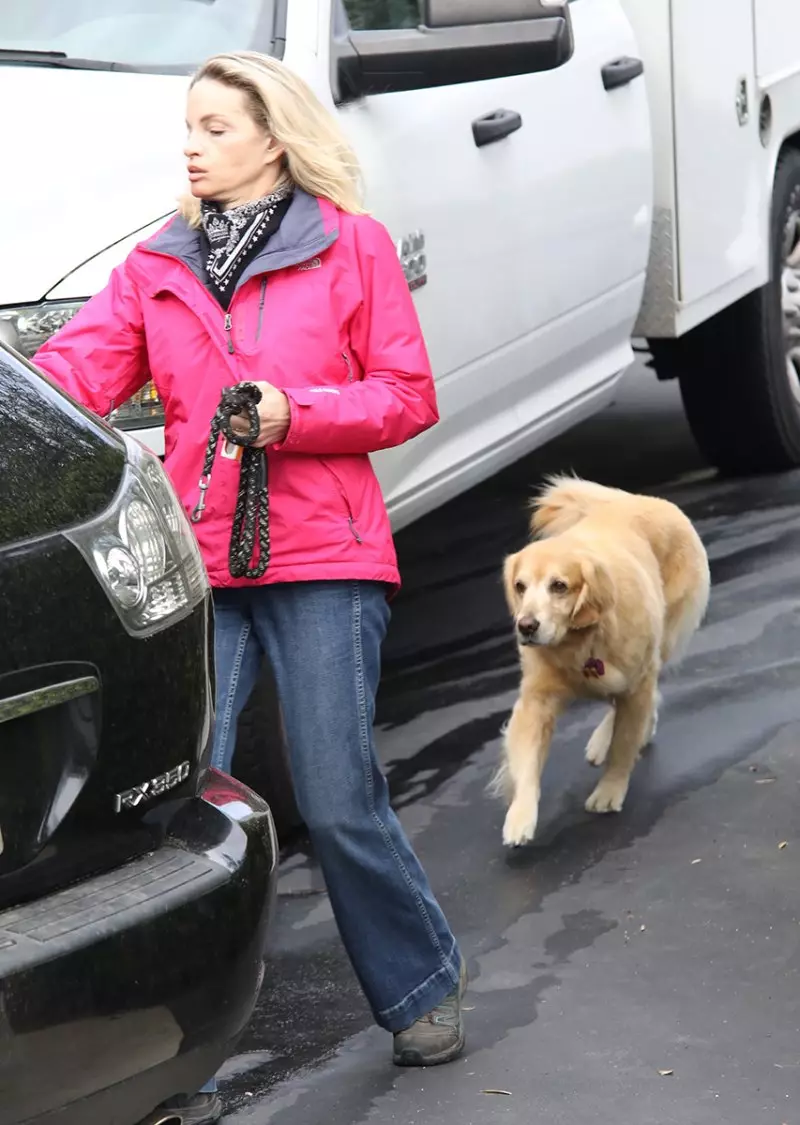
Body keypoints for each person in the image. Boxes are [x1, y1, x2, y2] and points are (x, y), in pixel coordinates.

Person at [33, 50, 467, 1125]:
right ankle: (181, 1043)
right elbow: (65, 382)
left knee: (333, 792)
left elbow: (405, 395)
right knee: (183, 810)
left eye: (216, 126)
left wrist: (293, 415)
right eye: (189, 125)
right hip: (202, 564)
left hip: (326, 556)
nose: (192, 144)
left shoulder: (350, 249)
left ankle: (420, 990)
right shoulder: (156, 268)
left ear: (273, 137)